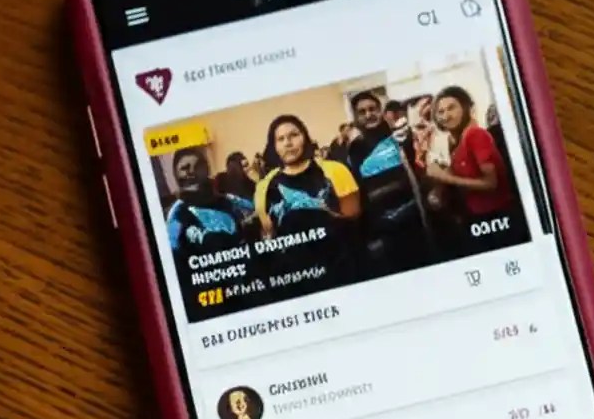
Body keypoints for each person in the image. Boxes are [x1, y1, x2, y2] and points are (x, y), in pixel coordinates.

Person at [255, 115, 362, 289]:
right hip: (299, 280)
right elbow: (269, 235)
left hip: (341, 271)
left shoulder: (335, 170)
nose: (288, 143)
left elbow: (354, 220)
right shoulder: (264, 188)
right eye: (280, 139)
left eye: (294, 135)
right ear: (274, 146)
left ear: (305, 137)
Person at [346, 91, 433, 275]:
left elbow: (419, 167)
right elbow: (360, 191)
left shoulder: (399, 136)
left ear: (381, 111)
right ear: (356, 117)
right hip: (383, 229)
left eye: (372, 109)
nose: (368, 114)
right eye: (362, 112)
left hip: (415, 219)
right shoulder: (354, 149)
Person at [427, 86, 517, 252]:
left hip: (497, 217)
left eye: (451, 108)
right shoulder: (458, 141)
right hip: (479, 218)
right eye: (440, 112)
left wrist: (445, 177)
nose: (446, 116)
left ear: (466, 107)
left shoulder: (475, 135)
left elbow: (491, 183)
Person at [166, 148, 259, 258]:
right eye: (184, 168)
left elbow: (257, 211)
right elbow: (174, 254)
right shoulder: (177, 213)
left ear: (207, 169)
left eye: (197, 166)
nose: (191, 172)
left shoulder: (227, 200)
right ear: (176, 175)